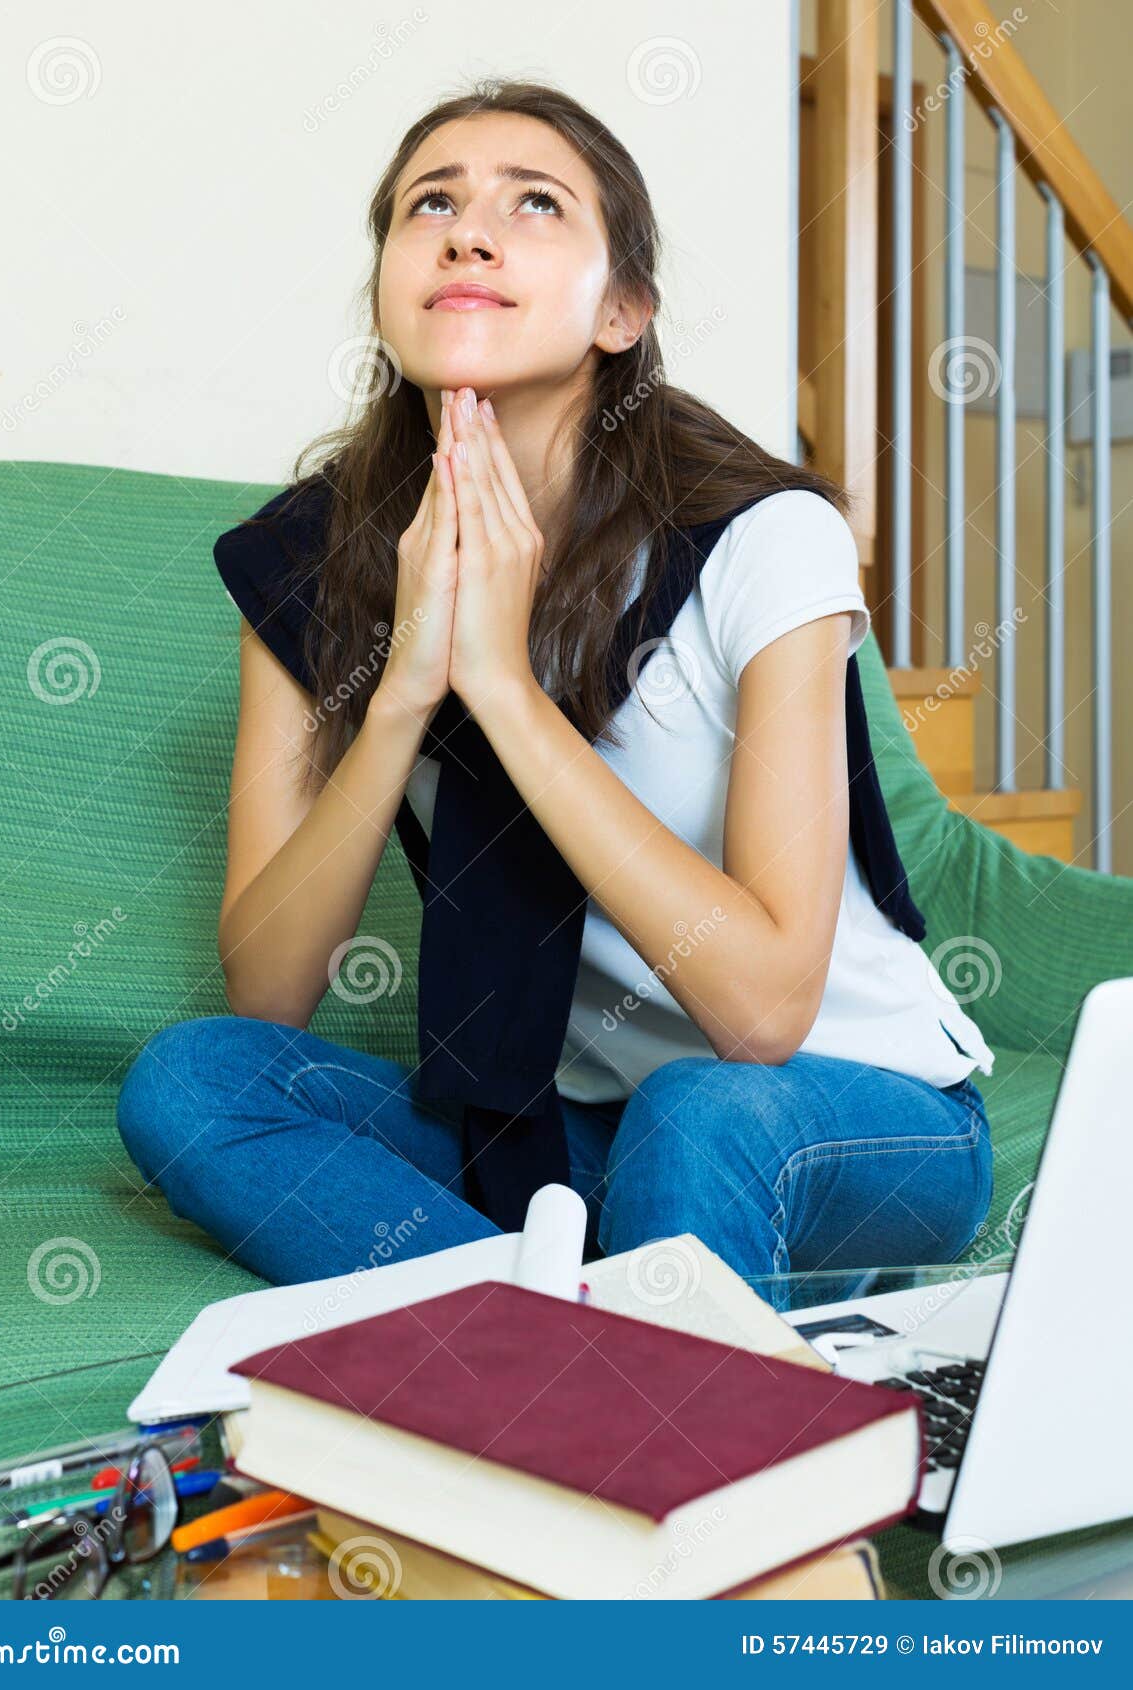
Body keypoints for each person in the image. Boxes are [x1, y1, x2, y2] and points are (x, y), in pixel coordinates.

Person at [117, 77, 994, 1296]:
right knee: (194, 1080)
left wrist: (505, 689)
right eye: (431, 204)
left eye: (534, 204)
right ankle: (561, 1353)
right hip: (567, 1133)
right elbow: (270, 989)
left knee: (701, 1109)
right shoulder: (311, 559)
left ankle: (607, 1387)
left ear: (621, 309)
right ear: (386, 292)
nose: (467, 231)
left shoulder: (762, 535)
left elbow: (760, 1020)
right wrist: (406, 689)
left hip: (853, 1115)